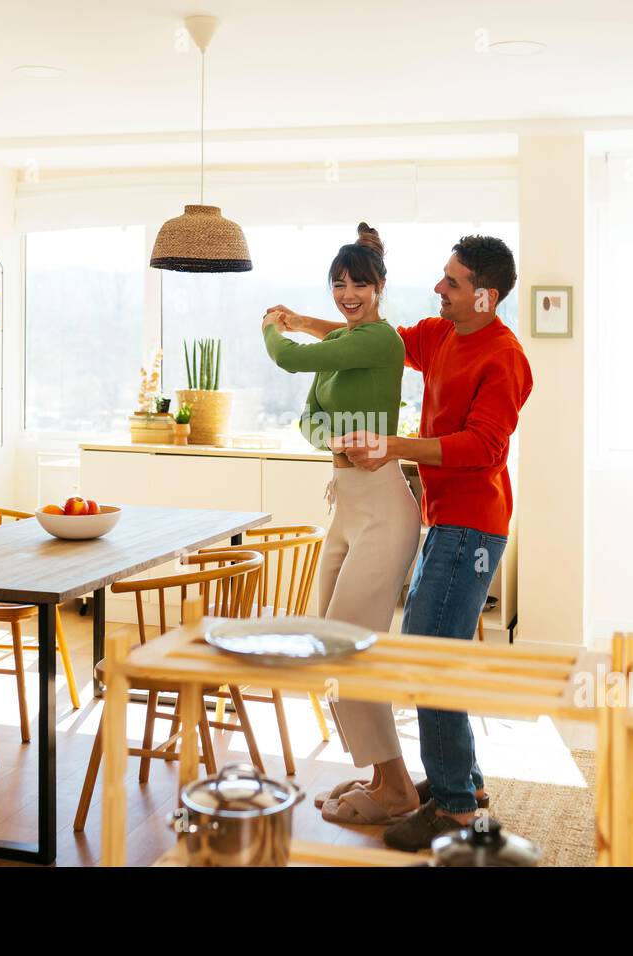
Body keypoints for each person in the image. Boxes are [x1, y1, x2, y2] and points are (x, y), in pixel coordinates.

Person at [271, 235, 532, 852]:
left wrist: (395, 446)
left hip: (474, 523)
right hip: (440, 516)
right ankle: (458, 781)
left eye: (452, 281)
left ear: (484, 297)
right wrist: (303, 320)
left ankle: (457, 811)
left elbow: (483, 447)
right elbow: (377, 337)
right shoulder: (442, 336)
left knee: (423, 655)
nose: (440, 289)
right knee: (427, 649)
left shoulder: (505, 356)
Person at [261, 222, 423, 825]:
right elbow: (309, 424)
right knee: (328, 643)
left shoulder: (378, 340)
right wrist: (335, 436)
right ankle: (381, 774)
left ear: (380, 287)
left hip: (382, 508)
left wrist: (272, 326)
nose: (348, 293)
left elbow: (289, 359)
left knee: (352, 647)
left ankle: (398, 789)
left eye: (359, 283)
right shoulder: (349, 346)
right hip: (345, 503)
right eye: (339, 284)